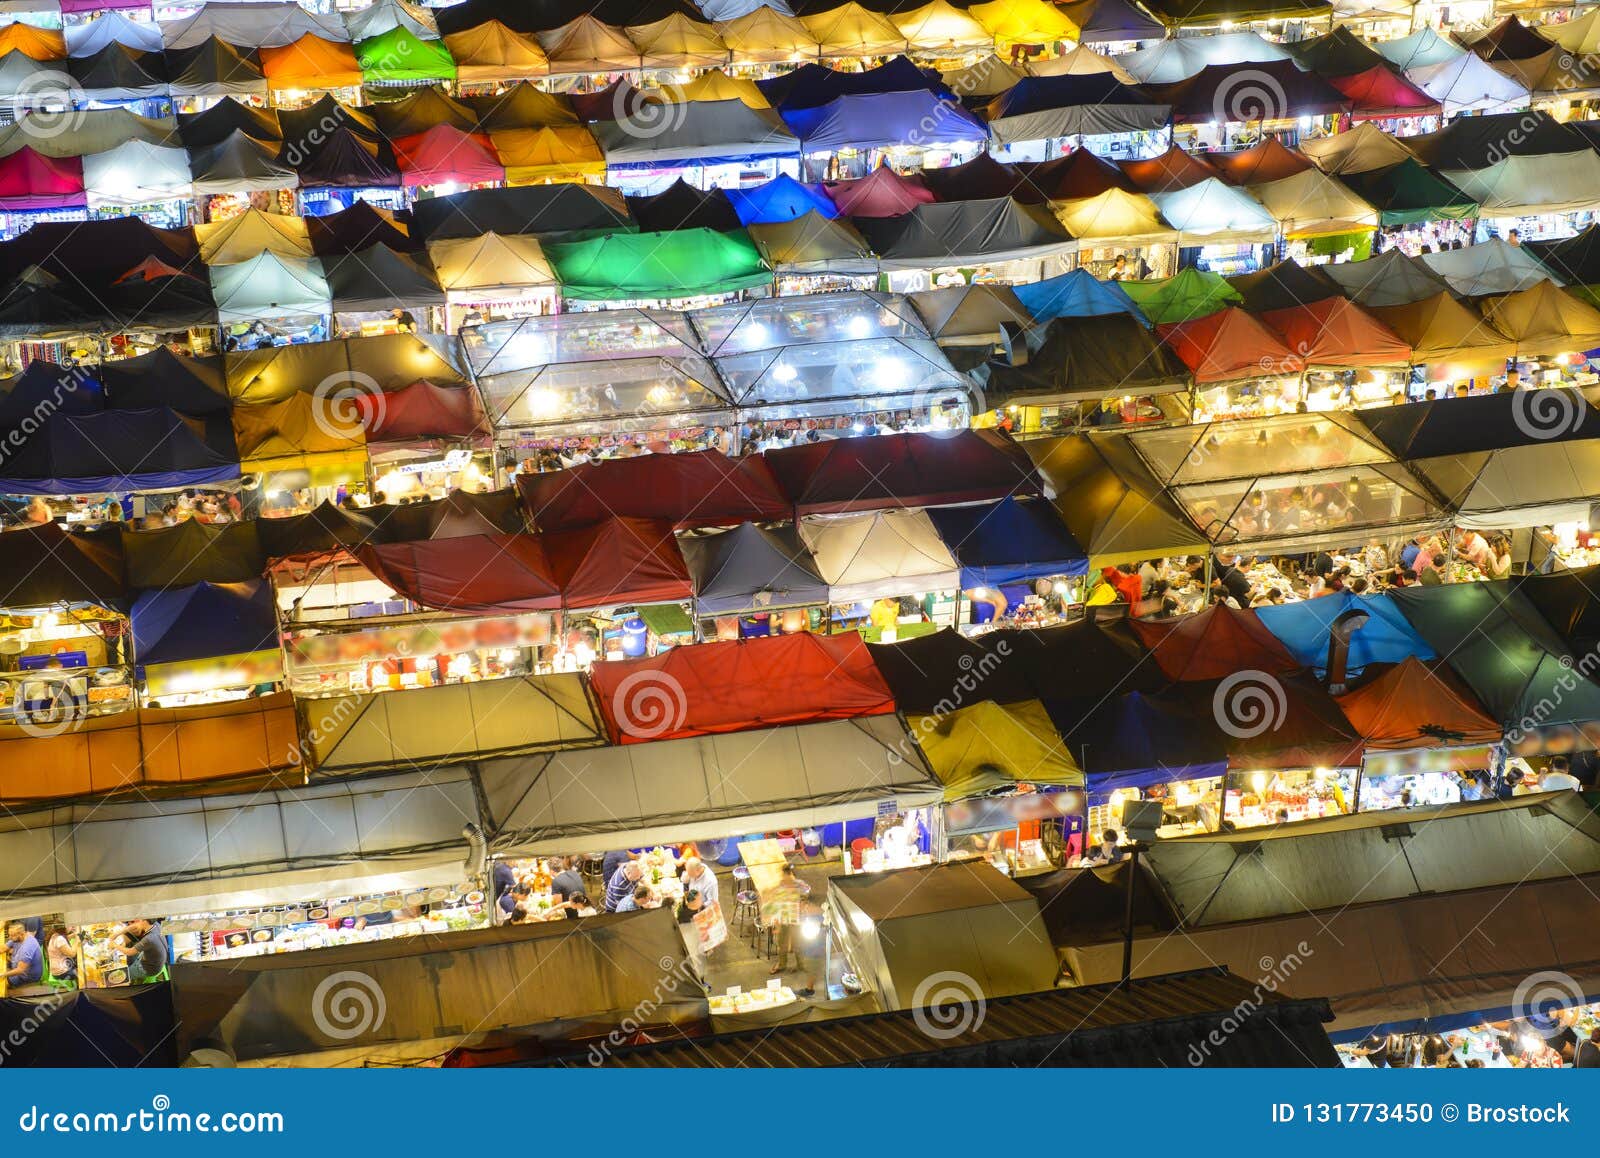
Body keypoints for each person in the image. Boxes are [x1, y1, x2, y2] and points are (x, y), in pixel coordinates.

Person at [767, 864, 808, 977]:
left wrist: (801, 904)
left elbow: (805, 896)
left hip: (796, 920)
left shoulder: (800, 885)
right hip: (784, 919)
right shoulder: (782, 886)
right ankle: (782, 964)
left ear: (790, 873)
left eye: (785, 874)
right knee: (782, 943)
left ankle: (801, 964)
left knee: (797, 944)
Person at [119, 918, 168, 983]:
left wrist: (114, 945)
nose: (133, 923)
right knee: (131, 953)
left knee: (123, 975)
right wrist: (118, 933)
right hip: (155, 960)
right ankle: (132, 966)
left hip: (150, 969)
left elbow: (129, 952)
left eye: (138, 919)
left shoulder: (149, 939)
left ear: (144, 921)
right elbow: (135, 927)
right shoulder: (156, 924)